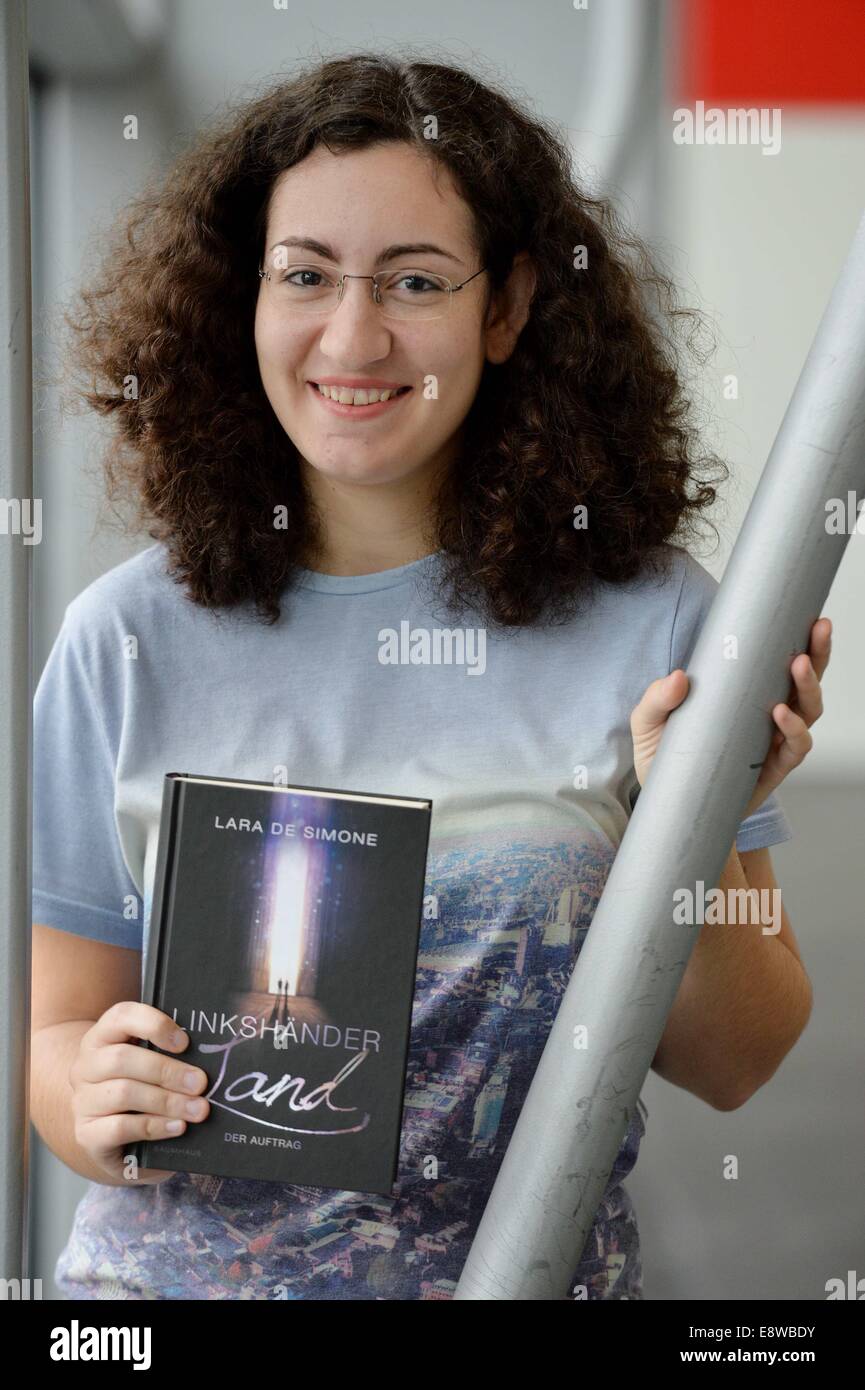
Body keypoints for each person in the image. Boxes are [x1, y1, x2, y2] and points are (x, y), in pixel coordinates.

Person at [30, 53, 827, 1302]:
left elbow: (737, 1060)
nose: (353, 336)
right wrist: (89, 1094)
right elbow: (56, 1038)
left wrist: (689, 819)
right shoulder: (118, 640)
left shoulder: (655, 618)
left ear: (505, 308)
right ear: (245, 298)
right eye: (304, 276)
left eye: (413, 281)